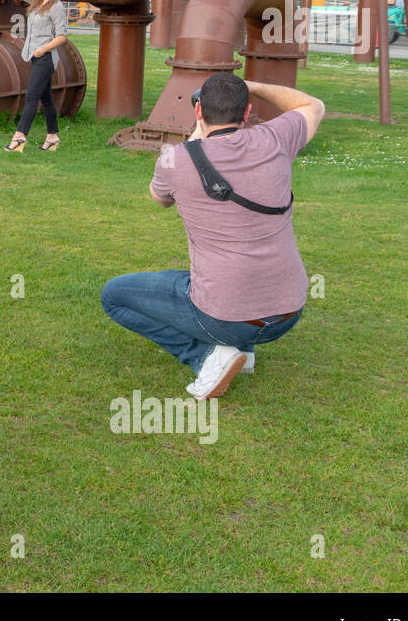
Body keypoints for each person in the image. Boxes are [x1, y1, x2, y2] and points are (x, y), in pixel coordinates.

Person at [100, 73, 325, 400]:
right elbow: (313, 105)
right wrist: (255, 84)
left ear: (199, 111)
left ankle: (206, 357)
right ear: (247, 112)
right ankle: (242, 353)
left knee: (114, 296)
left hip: (226, 316)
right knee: (210, 278)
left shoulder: (176, 159)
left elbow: (159, 198)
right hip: (289, 311)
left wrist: (194, 139)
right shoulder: (276, 138)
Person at [4, 0, 69, 152]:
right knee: (46, 99)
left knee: (31, 96)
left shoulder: (56, 7)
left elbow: (62, 37)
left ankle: (19, 137)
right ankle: (53, 137)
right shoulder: (36, 0)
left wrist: (42, 50)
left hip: (45, 59)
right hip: (35, 57)